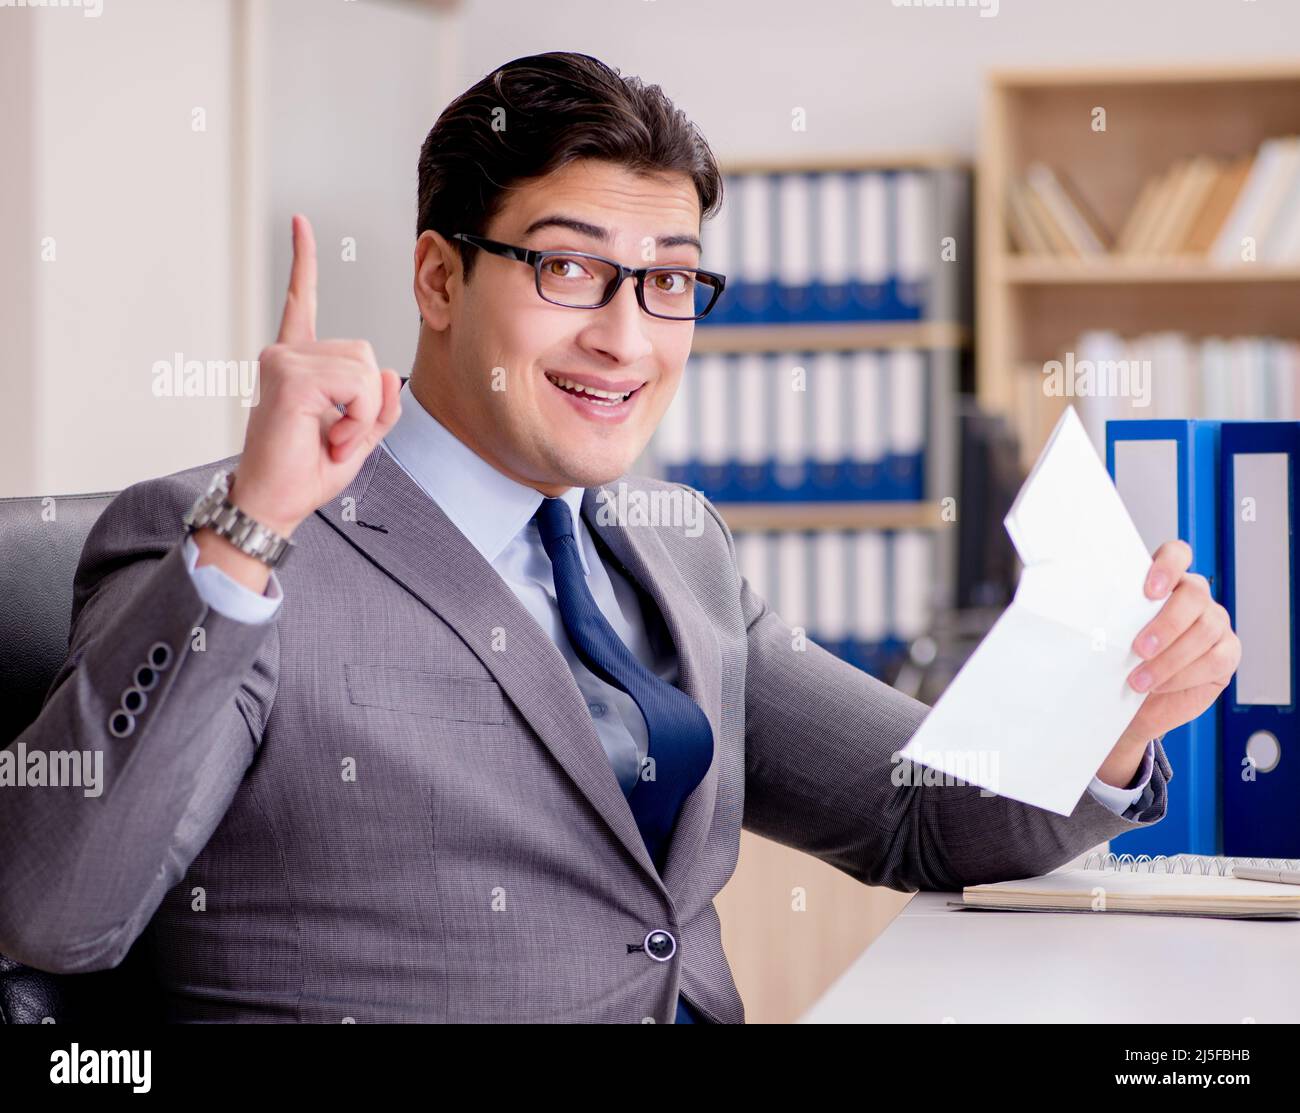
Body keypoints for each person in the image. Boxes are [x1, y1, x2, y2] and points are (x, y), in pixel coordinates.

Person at [0, 51, 1239, 1023]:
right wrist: (248, 533)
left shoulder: (672, 543)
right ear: (438, 280)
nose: (626, 339)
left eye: (669, 282)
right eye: (568, 271)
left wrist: (1110, 725)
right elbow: (57, 914)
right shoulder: (228, 537)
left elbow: (917, 816)